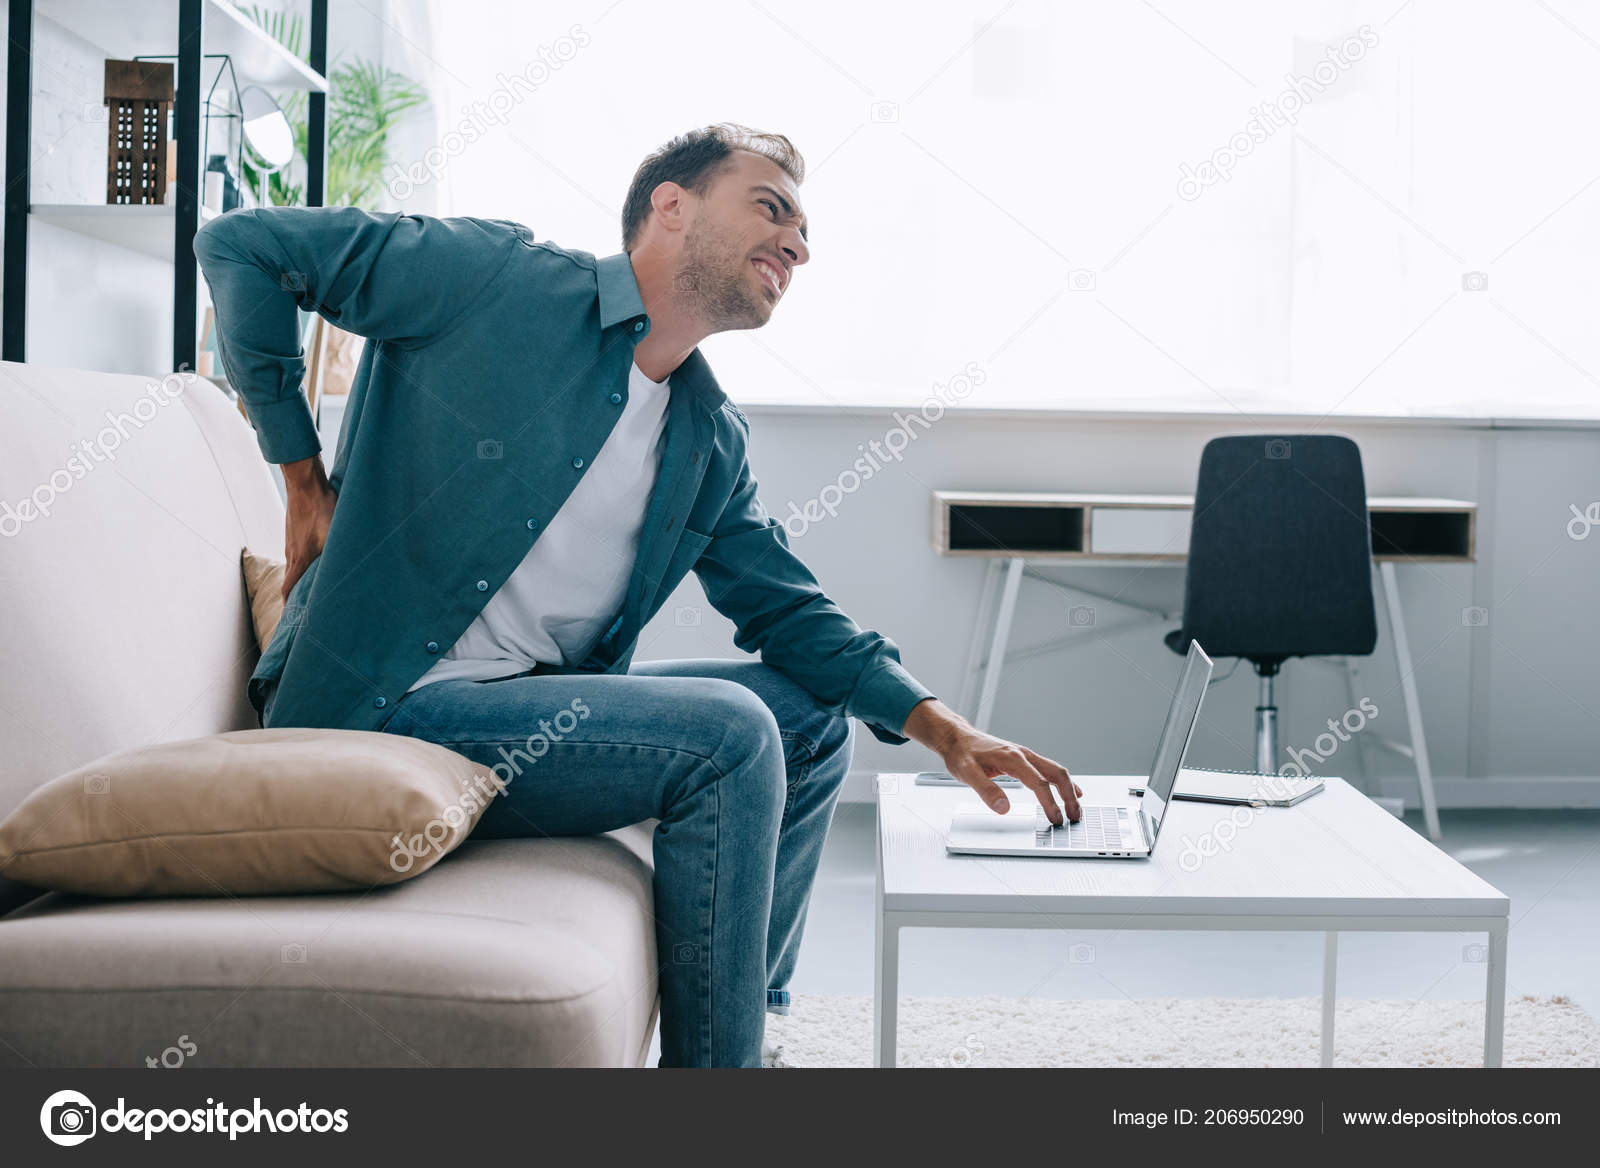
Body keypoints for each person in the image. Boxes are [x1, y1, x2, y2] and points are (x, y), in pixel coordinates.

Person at [195, 122, 1081, 1068]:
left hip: (520, 715)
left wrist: (945, 729)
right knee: (730, 735)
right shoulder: (497, 279)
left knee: (812, 721)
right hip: (378, 707)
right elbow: (243, 245)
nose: (797, 245)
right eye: (772, 209)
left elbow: (787, 610)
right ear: (671, 205)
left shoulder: (706, 436)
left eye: (804, 232)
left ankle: (749, 1026)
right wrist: (301, 477)